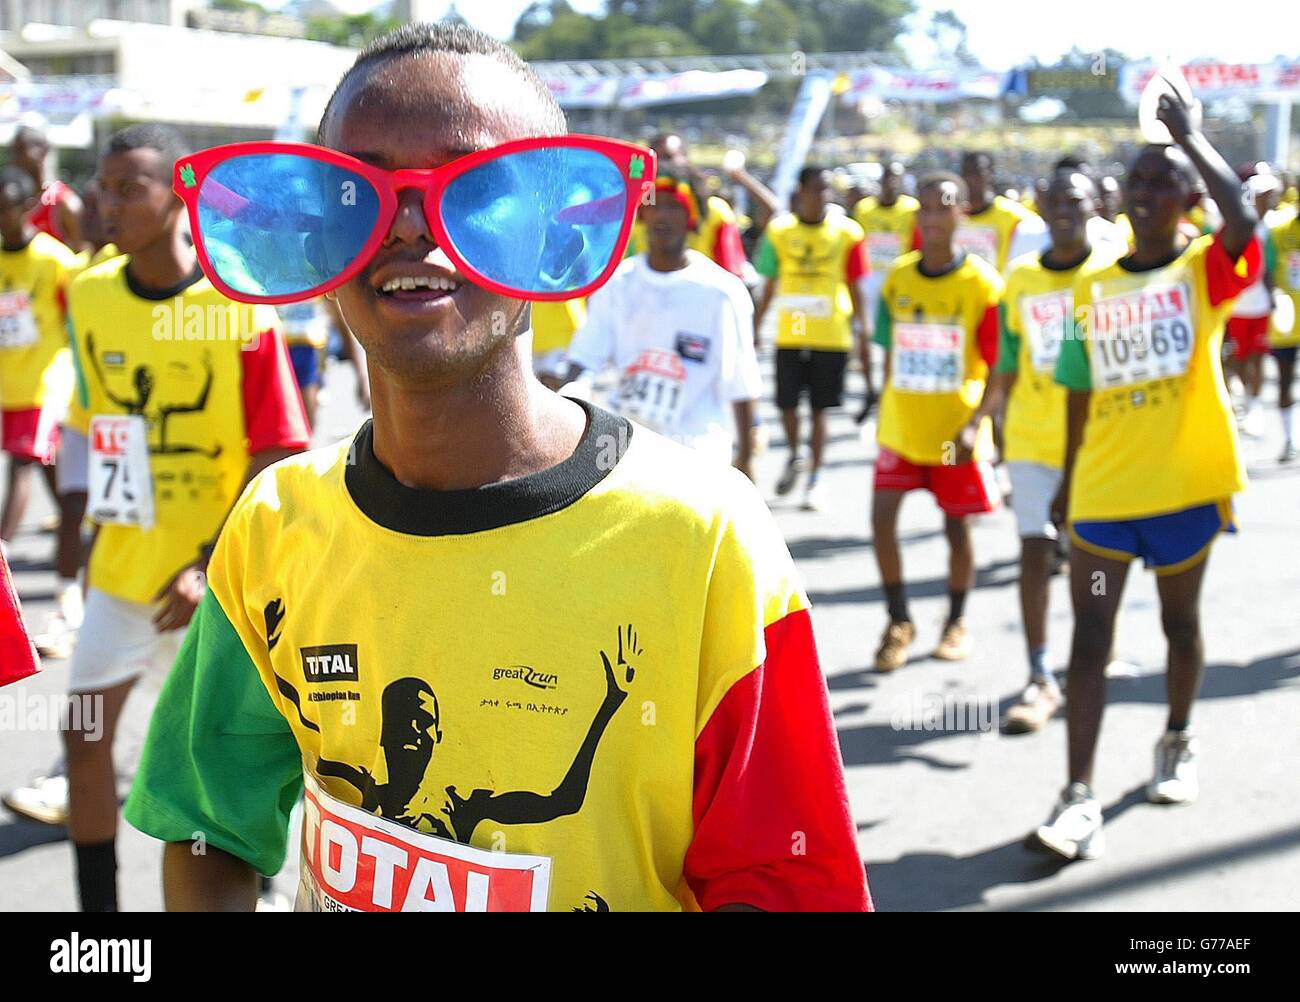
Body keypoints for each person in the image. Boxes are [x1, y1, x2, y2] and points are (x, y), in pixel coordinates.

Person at [123, 24, 870, 913]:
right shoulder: (274, 523)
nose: (408, 226)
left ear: (554, 241)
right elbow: (210, 825)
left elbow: (783, 883)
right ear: (324, 241)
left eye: (472, 188)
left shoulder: (706, 536)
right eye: (359, 191)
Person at [51, 123, 310, 911]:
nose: (108, 203)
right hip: (126, 575)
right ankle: (101, 921)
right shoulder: (89, 294)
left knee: (226, 763)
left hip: (218, 585)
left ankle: (260, 891)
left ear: (178, 201)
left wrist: (208, 561)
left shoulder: (238, 306)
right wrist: (92, 538)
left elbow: (276, 453)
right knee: (83, 739)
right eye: (102, 187)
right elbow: (103, 428)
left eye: (130, 187)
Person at [1035, 93, 1260, 860]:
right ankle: (1076, 796)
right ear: (1122, 196)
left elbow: (1245, 224)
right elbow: (1078, 393)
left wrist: (1188, 137)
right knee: (1091, 635)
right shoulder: (1089, 292)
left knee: (1179, 627)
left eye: (1163, 182)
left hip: (1183, 497)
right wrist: (1066, 486)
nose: (1147, 193)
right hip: (1104, 502)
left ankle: (1177, 736)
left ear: (1186, 198)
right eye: (1138, 179)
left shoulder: (1204, 272)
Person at [987, 170, 1117, 731]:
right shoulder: (1018, 278)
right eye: (1055, 200)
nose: (1064, 209)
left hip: (1100, 442)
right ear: (1038, 206)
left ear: (1094, 208)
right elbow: (1008, 361)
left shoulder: (1112, 275)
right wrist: (992, 426)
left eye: (1076, 200)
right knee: (1035, 550)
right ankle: (1040, 675)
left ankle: (1095, 652)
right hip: (1032, 438)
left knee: (1094, 562)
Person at [870, 172, 1003, 672]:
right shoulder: (899, 278)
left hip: (953, 431)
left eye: (943, 206)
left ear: (962, 212)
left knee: (956, 528)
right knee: (881, 521)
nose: (932, 217)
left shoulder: (982, 284)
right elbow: (889, 351)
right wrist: (881, 403)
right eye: (924, 209)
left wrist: (976, 425)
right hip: (902, 427)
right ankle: (899, 620)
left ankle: (955, 621)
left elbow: (998, 366)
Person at [557, 171, 761, 475]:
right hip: (628, 455)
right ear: (641, 214)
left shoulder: (723, 292)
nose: (662, 215)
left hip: (697, 457)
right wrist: (565, 399)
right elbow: (585, 358)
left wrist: (745, 459)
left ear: (692, 216)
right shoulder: (617, 283)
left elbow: (741, 383)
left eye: (674, 206)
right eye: (654, 204)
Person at [754, 166, 871, 510]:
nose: (824, 196)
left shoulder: (848, 232)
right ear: (801, 191)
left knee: (820, 409)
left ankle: (816, 478)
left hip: (831, 332)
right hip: (793, 329)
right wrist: (756, 327)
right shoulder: (779, 231)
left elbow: (855, 284)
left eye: (828, 190)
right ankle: (796, 452)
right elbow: (770, 284)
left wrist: (861, 330)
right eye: (818, 189)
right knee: (788, 404)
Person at [0, 166, 80, 568]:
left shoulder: (54, 259)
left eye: (6, 210)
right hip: (8, 384)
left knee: (21, 463)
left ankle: (2, 550)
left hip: (46, 379)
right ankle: (76, 533)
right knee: (49, 465)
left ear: (29, 208)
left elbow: (82, 312)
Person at [625, 133, 748, 280]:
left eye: (669, 158)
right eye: (656, 160)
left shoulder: (716, 212)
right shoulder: (634, 213)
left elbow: (731, 274)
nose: (663, 167)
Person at [852, 160, 918, 420]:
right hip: (869, 281)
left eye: (897, 178)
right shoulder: (864, 209)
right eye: (888, 178)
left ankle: (891, 389)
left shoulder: (911, 209)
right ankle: (870, 389)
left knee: (897, 340)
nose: (892, 183)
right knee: (863, 337)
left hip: (899, 282)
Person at [1224, 169, 1280, 438]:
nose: (1269, 200)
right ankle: (1242, 400)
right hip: (1235, 307)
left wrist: (1272, 297)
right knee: (1237, 359)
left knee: (1257, 358)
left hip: (1259, 307)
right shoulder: (1236, 227)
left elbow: (1269, 268)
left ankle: (1254, 407)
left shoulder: (1269, 229)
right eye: (1265, 195)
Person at [957, 151, 1047, 274]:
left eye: (977, 173)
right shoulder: (952, 216)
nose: (970, 179)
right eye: (966, 173)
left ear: (991, 174)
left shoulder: (1016, 216)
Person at [11, 125, 86, 251]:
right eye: (13, 151)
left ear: (44, 150)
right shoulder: (10, 203)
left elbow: (80, 257)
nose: (16, 158)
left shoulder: (63, 202)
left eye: (21, 149)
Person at [1271, 196, 1300, 461]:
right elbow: (1266, 267)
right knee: (1285, 382)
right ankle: (1289, 440)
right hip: (1288, 322)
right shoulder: (1279, 231)